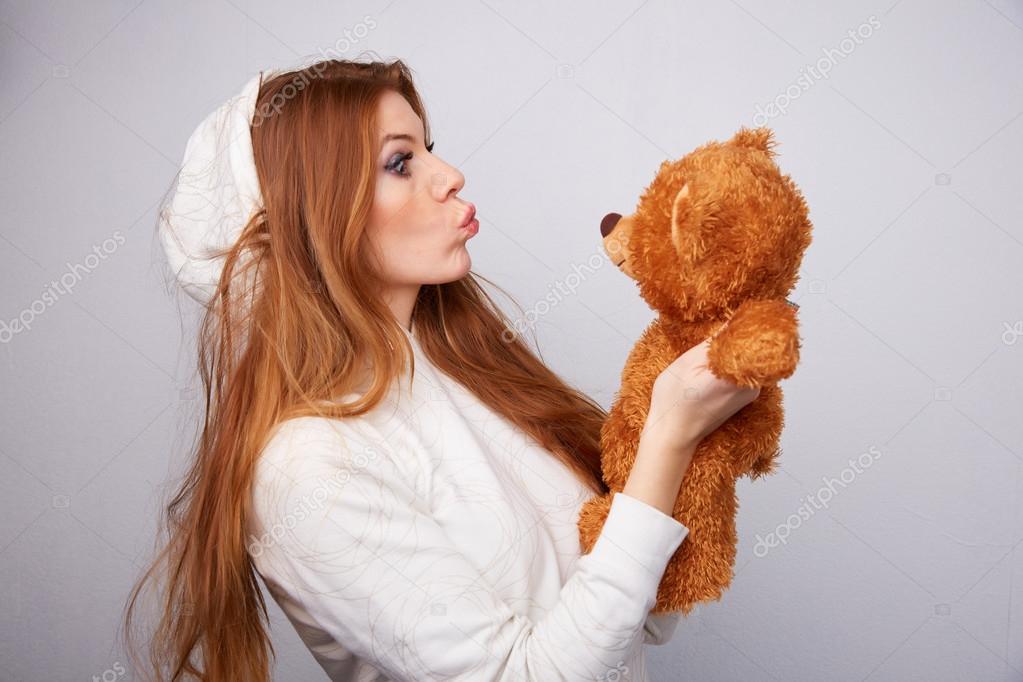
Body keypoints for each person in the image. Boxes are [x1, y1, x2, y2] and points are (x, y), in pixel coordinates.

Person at [124, 56, 759, 681]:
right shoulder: (306, 470)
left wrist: (695, 431)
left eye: (429, 148)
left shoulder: (469, 373)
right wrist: (669, 437)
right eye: (400, 162)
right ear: (308, 221)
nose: (450, 174)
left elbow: (640, 620)